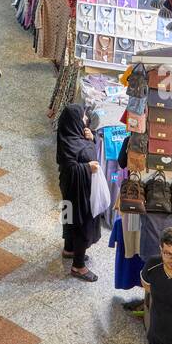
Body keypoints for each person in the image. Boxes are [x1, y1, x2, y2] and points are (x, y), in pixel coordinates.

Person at [56, 104, 103, 283]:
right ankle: (78, 266)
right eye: (83, 117)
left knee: (68, 219)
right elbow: (73, 168)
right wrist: (88, 167)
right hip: (80, 193)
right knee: (83, 225)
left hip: (68, 190)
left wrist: (91, 140)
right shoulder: (74, 143)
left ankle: (69, 249)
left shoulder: (67, 136)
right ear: (75, 121)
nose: (86, 120)